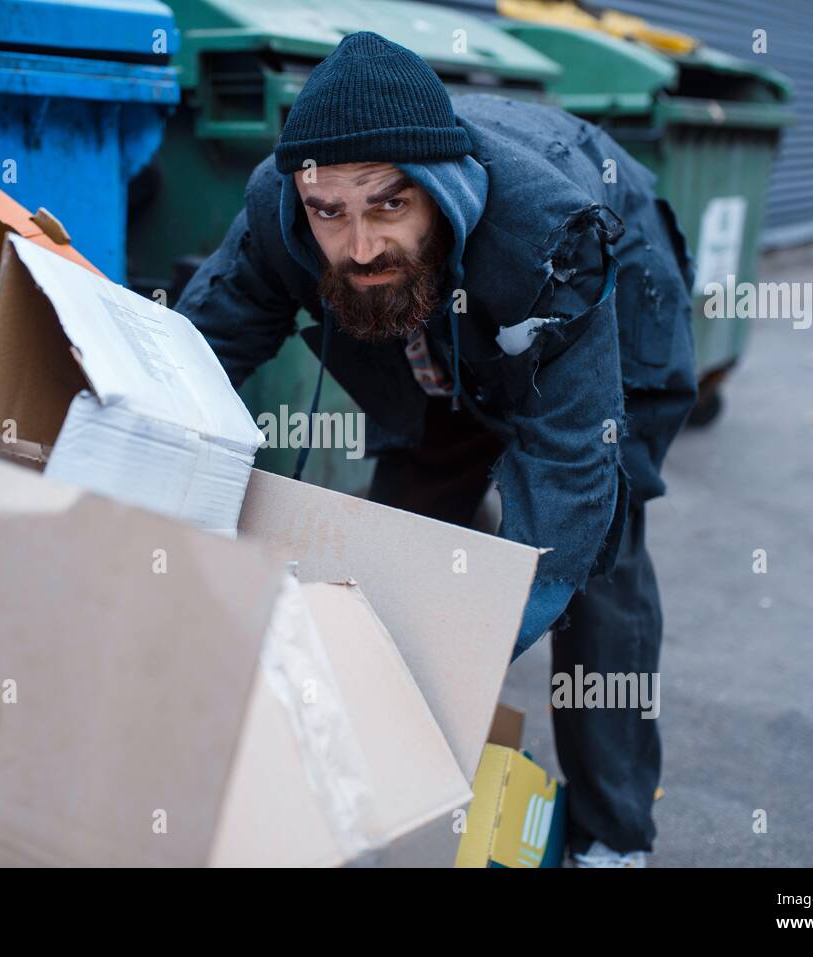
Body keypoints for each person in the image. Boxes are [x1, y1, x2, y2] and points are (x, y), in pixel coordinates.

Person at [175, 31, 697, 867]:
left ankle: (616, 834)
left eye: (389, 204)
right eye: (330, 212)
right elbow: (196, 352)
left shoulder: (553, 241)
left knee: (597, 562)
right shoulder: (284, 214)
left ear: (444, 192)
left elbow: (569, 472)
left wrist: (485, 626)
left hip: (612, 300)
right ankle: (378, 785)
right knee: (398, 546)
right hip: (439, 355)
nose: (359, 246)